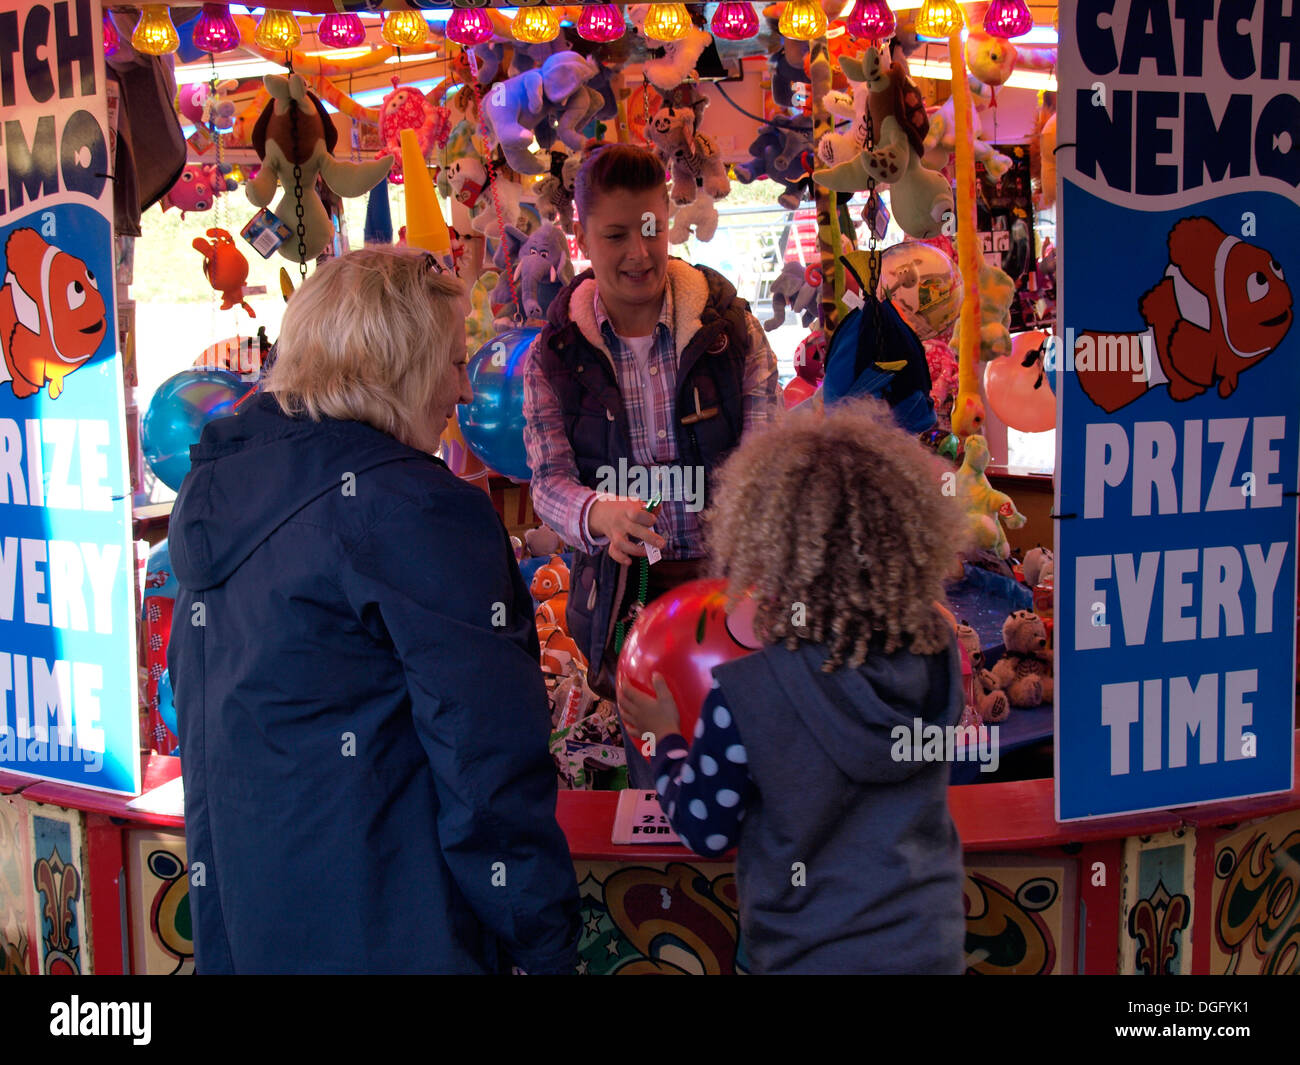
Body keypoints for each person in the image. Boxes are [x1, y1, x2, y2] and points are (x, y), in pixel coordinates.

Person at [168, 247, 580, 974]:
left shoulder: (221, 490)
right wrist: (544, 941)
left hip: (256, 927)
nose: (462, 390)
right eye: (454, 363)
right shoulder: (412, 511)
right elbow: (486, 766)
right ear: (401, 363)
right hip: (400, 933)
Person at [619, 399, 969, 975]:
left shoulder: (750, 692)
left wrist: (666, 741)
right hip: (926, 947)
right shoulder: (935, 654)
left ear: (768, 549)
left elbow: (705, 828)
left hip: (804, 956)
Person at [523, 143, 781, 786]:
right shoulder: (551, 356)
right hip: (624, 605)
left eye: (649, 229)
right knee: (661, 787)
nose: (639, 253)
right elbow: (547, 480)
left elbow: (771, 460)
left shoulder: (734, 334)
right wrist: (596, 512)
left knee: (763, 776)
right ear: (581, 236)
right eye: (615, 235)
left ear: (666, 218)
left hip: (734, 590)